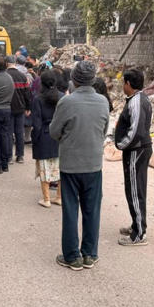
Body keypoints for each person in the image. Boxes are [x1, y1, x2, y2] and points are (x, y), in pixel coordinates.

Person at [49, 61, 109, 271]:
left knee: (70, 210)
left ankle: (72, 256)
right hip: (93, 164)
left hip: (70, 165)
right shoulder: (103, 101)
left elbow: (54, 131)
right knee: (92, 210)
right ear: (93, 79)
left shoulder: (66, 102)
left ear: (73, 79)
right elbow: (104, 131)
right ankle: (90, 254)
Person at [114, 69, 153, 246]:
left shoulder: (137, 101)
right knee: (135, 189)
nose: (123, 86)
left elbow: (135, 131)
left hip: (136, 151)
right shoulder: (140, 98)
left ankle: (139, 234)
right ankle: (136, 224)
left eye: (124, 83)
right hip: (138, 149)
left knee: (135, 190)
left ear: (128, 84)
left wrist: (121, 145)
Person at [32, 70, 63, 208]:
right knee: (60, 167)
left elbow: (37, 123)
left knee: (44, 168)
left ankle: (46, 199)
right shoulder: (62, 97)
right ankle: (59, 197)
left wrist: (35, 138)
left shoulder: (38, 99)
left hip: (44, 135)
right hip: (60, 136)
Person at [5, 56, 31, 164]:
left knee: (8, 133)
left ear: (6, 63)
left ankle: (9, 157)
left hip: (8, 108)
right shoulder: (23, 76)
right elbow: (27, 94)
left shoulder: (5, 76)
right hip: (20, 108)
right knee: (19, 133)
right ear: (15, 63)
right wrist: (28, 107)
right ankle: (20, 156)